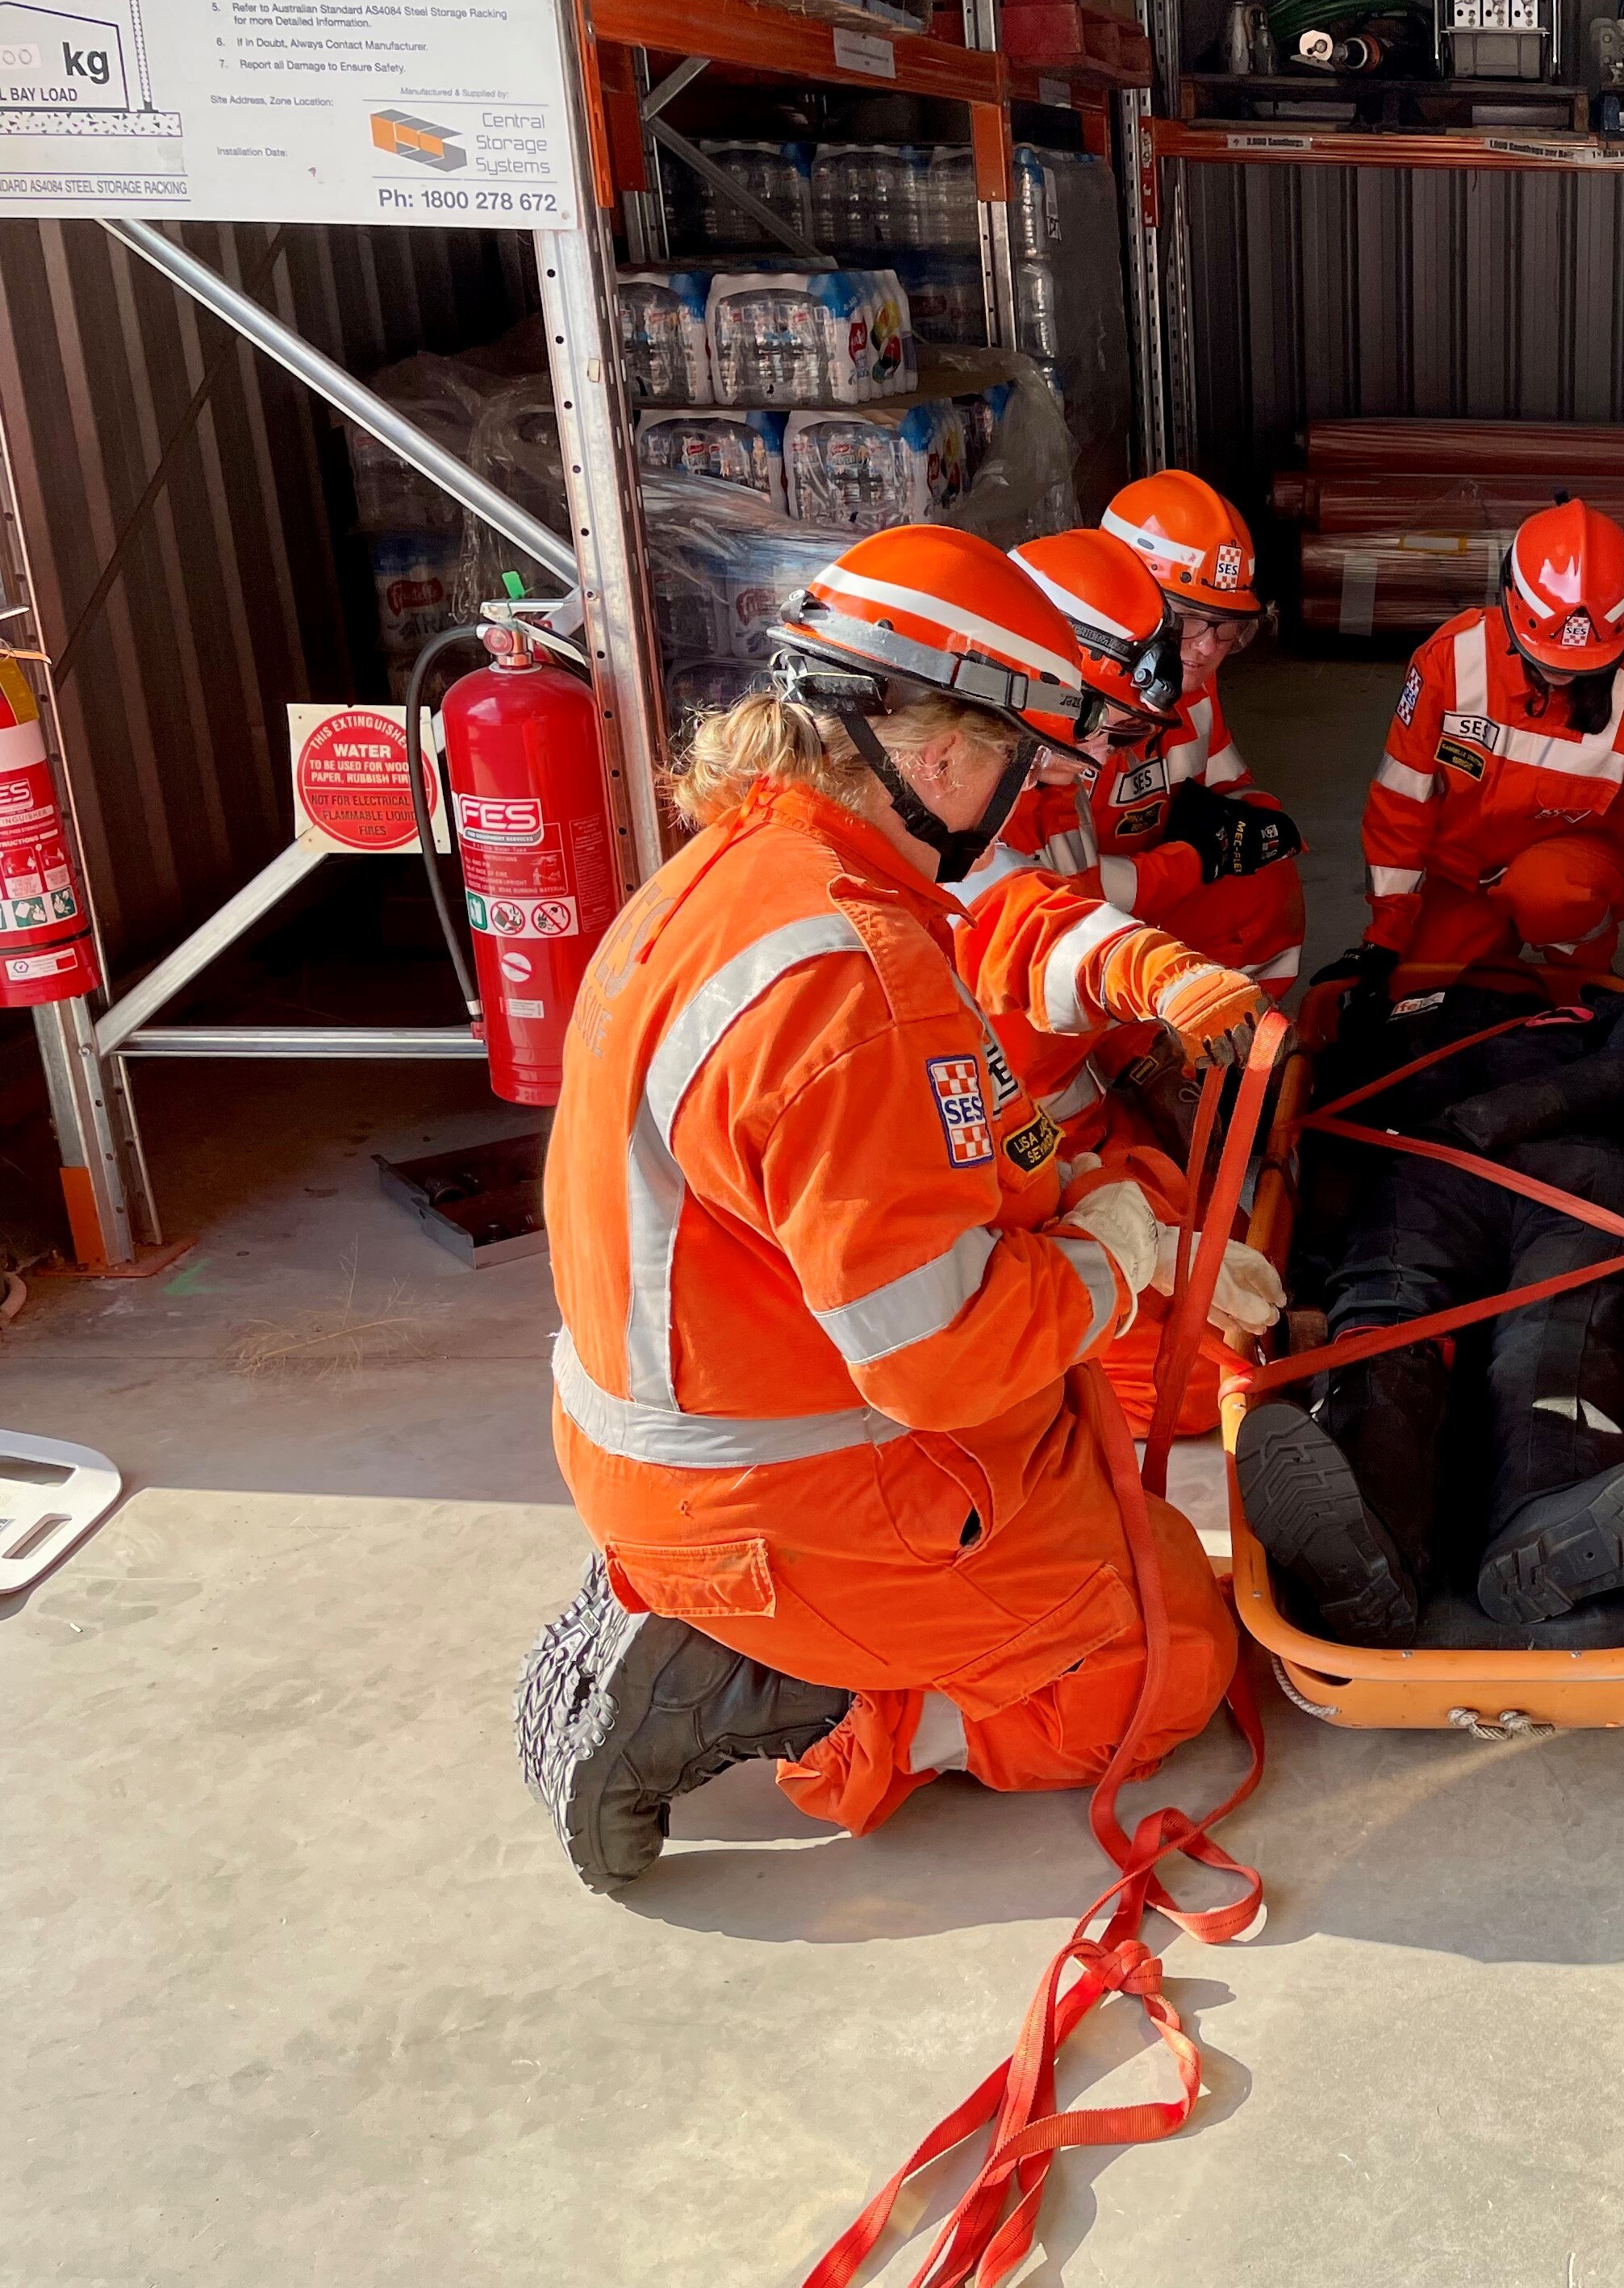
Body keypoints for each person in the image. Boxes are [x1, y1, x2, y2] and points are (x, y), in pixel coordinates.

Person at [519, 524, 1282, 1893]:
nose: (1023, 796)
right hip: (792, 1490)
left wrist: (1133, 1221)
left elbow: (948, 1159)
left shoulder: (740, 884)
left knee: (1152, 1543)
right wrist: (1122, 1261)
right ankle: (792, 1697)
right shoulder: (853, 979)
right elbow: (942, 1357)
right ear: (940, 760)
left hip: (725, 1435)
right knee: (1164, 1663)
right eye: (1018, 761)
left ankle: (719, 1618)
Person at [1234, 989, 1624, 1646]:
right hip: (1430, 1169)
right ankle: (1367, 1517)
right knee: (1386, 1323)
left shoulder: (1594, 1008)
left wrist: (1495, 1115)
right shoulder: (1373, 1015)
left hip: (1564, 1170)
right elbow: (1326, 1104)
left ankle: (1547, 1513)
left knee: (1556, 1330)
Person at [956, 523, 1295, 1438]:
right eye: (1104, 731)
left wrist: (1146, 1058)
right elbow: (1028, 929)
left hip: (1051, 1122)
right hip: (989, 1164)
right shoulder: (952, 814)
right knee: (1184, 1385)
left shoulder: (1031, 776)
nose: (1107, 760)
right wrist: (1163, 976)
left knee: (1224, 1269)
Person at [1338, 497, 1624, 1030]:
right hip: (1464, 874)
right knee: (1417, 1001)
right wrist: (1385, 934)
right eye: (1546, 660)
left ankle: (1584, 971)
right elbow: (1400, 802)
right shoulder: (1449, 662)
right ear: (1510, 600)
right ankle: (1491, 944)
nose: (1563, 675)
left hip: (1571, 873)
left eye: (1584, 666)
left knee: (1550, 894)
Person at [991, 477, 1309, 1005]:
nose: (1205, 649)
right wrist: (1193, 860)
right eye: (1186, 621)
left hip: (1146, 883)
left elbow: (1227, 780)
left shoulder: (1193, 684)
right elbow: (1065, 894)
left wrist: (1250, 823)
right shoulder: (1052, 717)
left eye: (1227, 628)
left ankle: (1240, 1029)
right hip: (1069, 922)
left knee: (1263, 881)